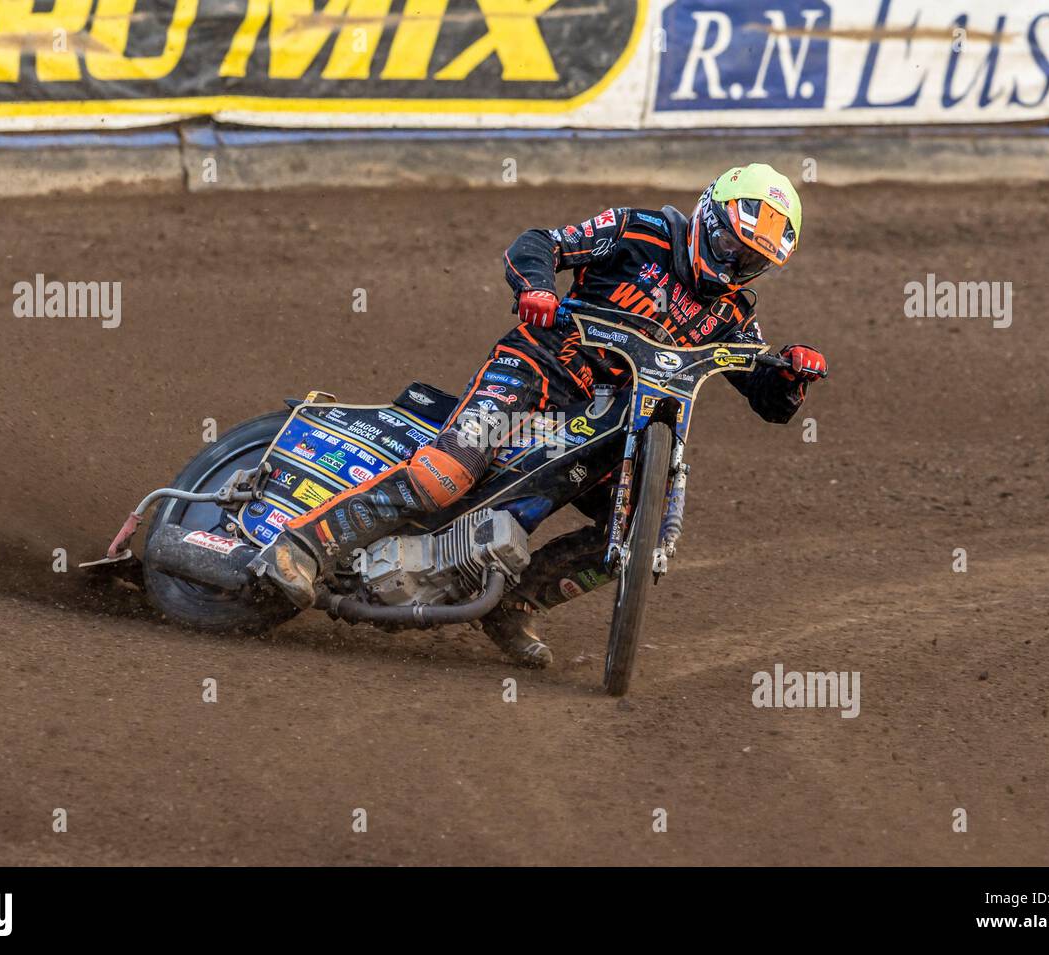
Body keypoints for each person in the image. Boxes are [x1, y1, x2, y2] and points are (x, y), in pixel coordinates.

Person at [262, 163, 828, 666]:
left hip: (611, 423)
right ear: (708, 215)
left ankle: (510, 606)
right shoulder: (639, 230)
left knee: (636, 531)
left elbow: (765, 395)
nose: (733, 264)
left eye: (751, 260)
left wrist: (789, 378)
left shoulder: (732, 311)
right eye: (731, 244)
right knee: (449, 471)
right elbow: (542, 242)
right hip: (536, 368)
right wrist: (535, 288)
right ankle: (302, 546)